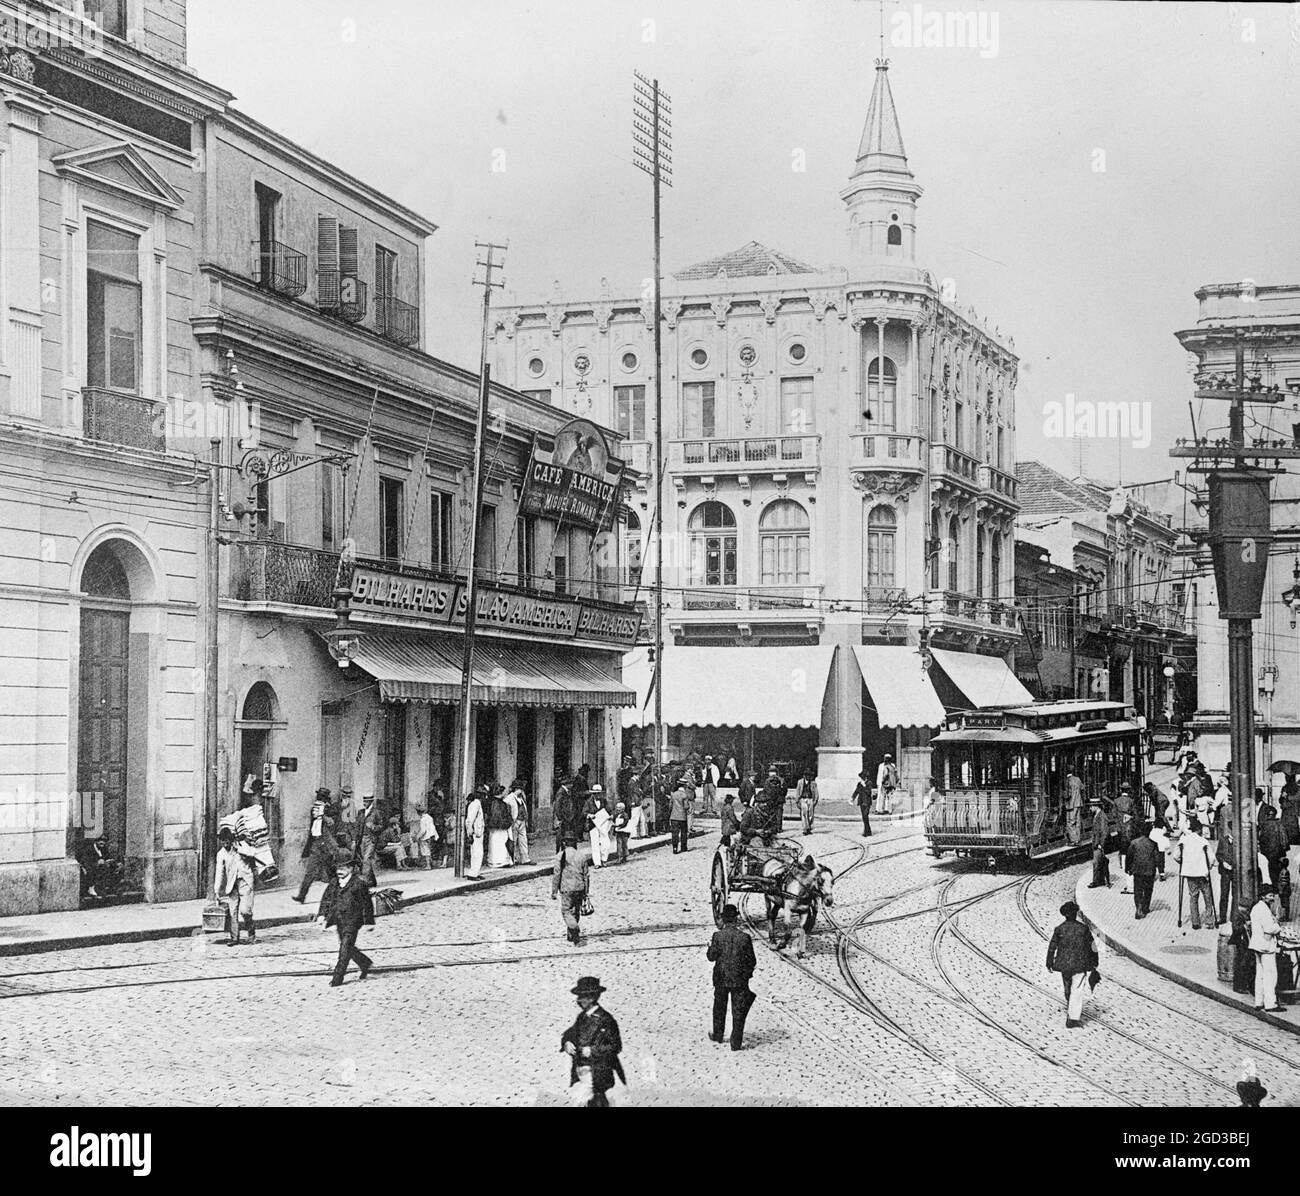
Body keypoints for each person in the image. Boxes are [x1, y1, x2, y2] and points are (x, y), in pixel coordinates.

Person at [560, 977, 625, 1108]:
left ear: (592, 998)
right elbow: (570, 1033)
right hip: (581, 1071)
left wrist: (592, 1050)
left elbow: (615, 1046)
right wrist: (567, 1042)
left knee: (578, 1102)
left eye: (582, 997)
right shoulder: (582, 1017)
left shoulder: (606, 1019)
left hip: (598, 1073)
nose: (578, 1000)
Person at [317, 850, 375, 987]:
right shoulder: (334, 883)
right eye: (337, 868)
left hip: (353, 921)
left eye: (343, 868)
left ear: (350, 868)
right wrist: (322, 915)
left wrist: (369, 922)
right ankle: (364, 962)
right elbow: (326, 900)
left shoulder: (358, 884)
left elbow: (367, 904)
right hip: (338, 920)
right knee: (348, 947)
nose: (339, 871)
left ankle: (338, 977)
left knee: (344, 948)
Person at [707, 903, 757, 1050]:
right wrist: (746, 975)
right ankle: (736, 1043)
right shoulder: (745, 937)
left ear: (723, 919)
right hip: (739, 980)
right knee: (738, 1011)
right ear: (736, 919)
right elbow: (752, 961)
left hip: (721, 979)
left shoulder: (717, 936)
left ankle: (718, 1035)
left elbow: (711, 957)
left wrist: (710, 947)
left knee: (719, 1007)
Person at [1045, 900, 1099, 1028]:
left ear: (1065, 915)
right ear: (1075, 914)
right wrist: (1095, 961)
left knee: (1068, 986)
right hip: (1081, 963)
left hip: (1064, 964)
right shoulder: (1083, 929)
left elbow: (1052, 947)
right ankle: (1073, 1017)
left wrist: (1049, 961)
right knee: (1078, 988)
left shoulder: (1059, 929)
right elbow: (1093, 947)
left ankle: (1070, 1003)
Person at [214, 827, 256, 946]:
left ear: (231, 840)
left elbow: (252, 853)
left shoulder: (240, 846)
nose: (225, 843)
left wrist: (240, 849)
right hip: (232, 885)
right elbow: (219, 872)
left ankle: (251, 932)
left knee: (245, 910)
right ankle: (234, 938)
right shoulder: (221, 854)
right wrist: (216, 890)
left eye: (227, 840)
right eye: (222, 841)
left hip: (245, 882)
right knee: (233, 912)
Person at [294, 793, 340, 903]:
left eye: (320, 798)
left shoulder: (330, 810)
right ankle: (302, 896)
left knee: (332, 872)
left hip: (326, 845)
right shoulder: (314, 810)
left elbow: (332, 823)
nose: (318, 800)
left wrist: (323, 815)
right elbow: (313, 827)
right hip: (316, 843)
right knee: (310, 871)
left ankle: (341, 893)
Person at [1249, 886, 1286, 1014]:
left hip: (1257, 944)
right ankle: (1270, 1003)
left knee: (1260, 974)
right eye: (1270, 895)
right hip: (1266, 945)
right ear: (1263, 896)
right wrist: (1278, 925)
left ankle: (1259, 1001)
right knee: (1270, 974)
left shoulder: (1256, 908)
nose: (1273, 898)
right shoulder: (1263, 909)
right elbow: (1269, 928)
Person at [1177, 818, 1216, 930]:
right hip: (1202, 873)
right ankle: (1209, 921)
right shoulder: (1203, 841)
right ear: (1199, 830)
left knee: (1193, 896)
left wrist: (1183, 863)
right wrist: (1209, 867)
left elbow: (1176, 855)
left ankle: (1195, 922)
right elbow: (1211, 858)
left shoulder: (1183, 840)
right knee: (1207, 896)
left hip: (1189, 873)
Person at [552, 837, 591, 945]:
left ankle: (573, 928)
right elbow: (586, 875)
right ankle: (571, 934)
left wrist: (554, 891)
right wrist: (586, 891)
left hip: (566, 888)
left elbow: (557, 874)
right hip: (579, 888)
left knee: (566, 911)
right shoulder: (581, 856)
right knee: (576, 910)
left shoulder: (560, 856)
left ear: (564, 843)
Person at [1125, 821, 1159, 919]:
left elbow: (1129, 857)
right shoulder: (1153, 843)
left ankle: (1138, 909)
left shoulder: (1134, 843)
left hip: (1138, 871)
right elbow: (1157, 859)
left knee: (1138, 890)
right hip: (1149, 871)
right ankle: (1145, 907)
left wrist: (1128, 869)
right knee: (1148, 890)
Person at [353, 792, 380, 887]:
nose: (364, 803)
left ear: (371, 802)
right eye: (364, 801)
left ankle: (365, 880)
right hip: (361, 839)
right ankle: (372, 880)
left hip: (371, 839)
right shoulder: (361, 812)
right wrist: (355, 839)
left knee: (366, 859)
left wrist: (373, 827)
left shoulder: (376, 812)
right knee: (364, 860)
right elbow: (357, 826)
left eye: (367, 801)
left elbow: (381, 826)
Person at [485, 785, 514, 868]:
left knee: (499, 843)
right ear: (501, 792)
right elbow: (497, 816)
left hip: (497, 827)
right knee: (498, 844)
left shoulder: (496, 802)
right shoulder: (497, 803)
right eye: (504, 792)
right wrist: (504, 823)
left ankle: (500, 861)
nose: (506, 793)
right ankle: (498, 862)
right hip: (498, 827)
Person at [505, 779, 532, 865]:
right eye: (520, 789)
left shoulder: (521, 798)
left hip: (522, 821)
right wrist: (512, 821)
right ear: (516, 789)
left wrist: (526, 820)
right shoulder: (509, 798)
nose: (521, 791)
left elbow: (524, 809)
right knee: (514, 841)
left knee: (523, 840)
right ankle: (513, 859)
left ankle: (525, 859)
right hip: (515, 821)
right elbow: (506, 809)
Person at [1087, 799, 1111, 888]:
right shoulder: (1098, 815)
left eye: (1091, 806)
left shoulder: (1102, 816)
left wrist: (1101, 843)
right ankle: (1100, 880)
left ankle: (1096, 881)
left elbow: (1105, 831)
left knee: (1096, 862)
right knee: (1099, 862)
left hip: (1099, 844)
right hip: (1097, 843)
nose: (1090, 808)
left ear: (1096, 806)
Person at [464, 788, 486, 879]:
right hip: (475, 832)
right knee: (476, 853)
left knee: (478, 853)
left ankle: (476, 872)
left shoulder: (477, 804)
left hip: (478, 832)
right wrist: (469, 832)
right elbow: (469, 820)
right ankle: (472, 874)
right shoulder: (475, 804)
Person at [669, 776, 692, 854]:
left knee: (674, 833)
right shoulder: (684, 795)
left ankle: (675, 848)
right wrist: (688, 808)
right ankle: (683, 847)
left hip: (674, 816)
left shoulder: (674, 794)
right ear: (684, 786)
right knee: (683, 833)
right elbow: (686, 806)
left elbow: (670, 806)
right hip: (682, 817)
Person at [413, 803, 439, 871]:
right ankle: (430, 863)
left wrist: (417, 837)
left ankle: (428, 865)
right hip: (432, 835)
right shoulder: (429, 817)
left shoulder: (423, 819)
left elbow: (423, 830)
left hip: (426, 836)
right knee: (429, 850)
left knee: (425, 850)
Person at [1064, 767, 1084, 845]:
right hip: (1078, 803)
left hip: (1071, 804)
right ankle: (1078, 839)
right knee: (1077, 821)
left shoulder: (1067, 780)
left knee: (1070, 822)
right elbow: (1082, 788)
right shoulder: (1078, 779)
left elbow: (1068, 794)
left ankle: (1073, 840)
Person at [796, 770, 818, 836]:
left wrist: (815, 801)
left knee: (811, 815)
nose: (808, 776)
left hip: (810, 799)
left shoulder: (813, 783)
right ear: (804, 776)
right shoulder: (800, 782)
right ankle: (805, 829)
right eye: (807, 775)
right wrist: (797, 800)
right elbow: (797, 791)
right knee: (804, 814)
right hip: (803, 799)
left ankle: (809, 827)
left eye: (809, 775)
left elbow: (816, 792)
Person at [851, 768, 873, 837]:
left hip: (867, 802)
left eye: (863, 777)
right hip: (861, 802)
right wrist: (852, 798)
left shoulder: (869, 783)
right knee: (864, 817)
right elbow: (856, 791)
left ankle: (866, 832)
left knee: (865, 816)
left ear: (865, 777)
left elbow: (869, 792)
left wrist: (864, 786)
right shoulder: (859, 784)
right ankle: (868, 831)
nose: (862, 778)